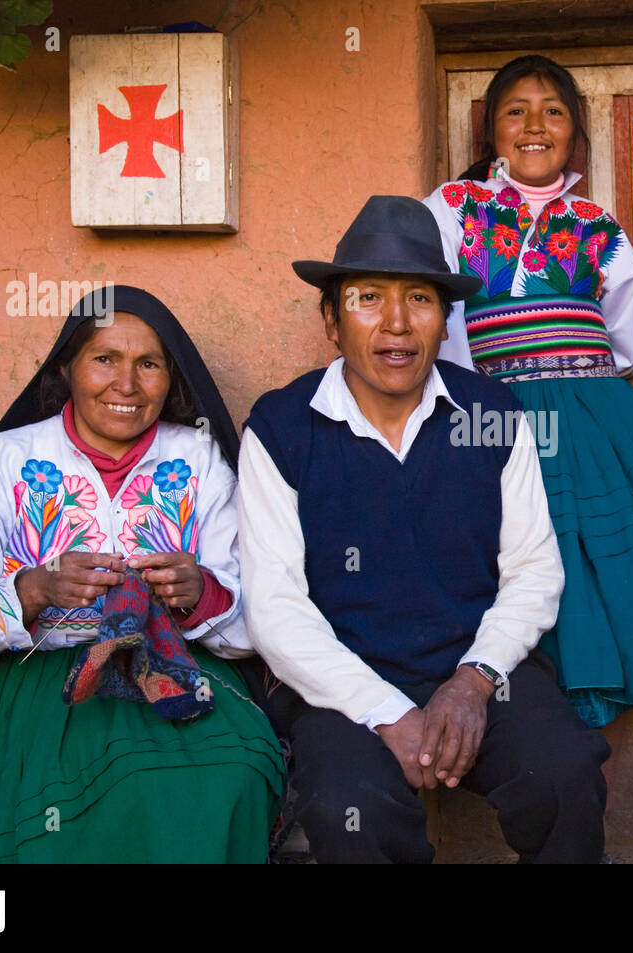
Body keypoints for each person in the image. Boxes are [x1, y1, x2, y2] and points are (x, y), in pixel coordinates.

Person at [237, 195, 611, 864]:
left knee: (563, 770)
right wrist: (388, 712)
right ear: (330, 320)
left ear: (444, 322)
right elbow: (274, 608)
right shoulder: (281, 428)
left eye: (420, 299)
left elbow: (533, 569)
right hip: (339, 681)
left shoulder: (491, 413)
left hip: (474, 664)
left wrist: (472, 681)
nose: (397, 323)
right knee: (348, 806)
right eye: (368, 298)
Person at [0, 286, 283, 863]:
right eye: (104, 359)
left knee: (236, 769)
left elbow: (266, 621)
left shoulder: (199, 461)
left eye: (148, 364)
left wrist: (201, 593)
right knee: (65, 800)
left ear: (171, 378)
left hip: (171, 675)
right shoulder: (3, 464)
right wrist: (31, 590)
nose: (126, 385)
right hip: (28, 684)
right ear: (65, 367)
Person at [422, 54, 633, 730]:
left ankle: (589, 762)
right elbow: (435, 314)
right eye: (515, 111)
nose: (535, 125)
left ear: (573, 134)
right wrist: (478, 401)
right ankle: (538, 739)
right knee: (525, 569)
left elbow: (621, 340)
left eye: (553, 111)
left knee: (597, 574)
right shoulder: (453, 208)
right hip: (493, 414)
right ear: (490, 133)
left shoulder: (595, 224)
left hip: (594, 420)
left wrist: (568, 379)